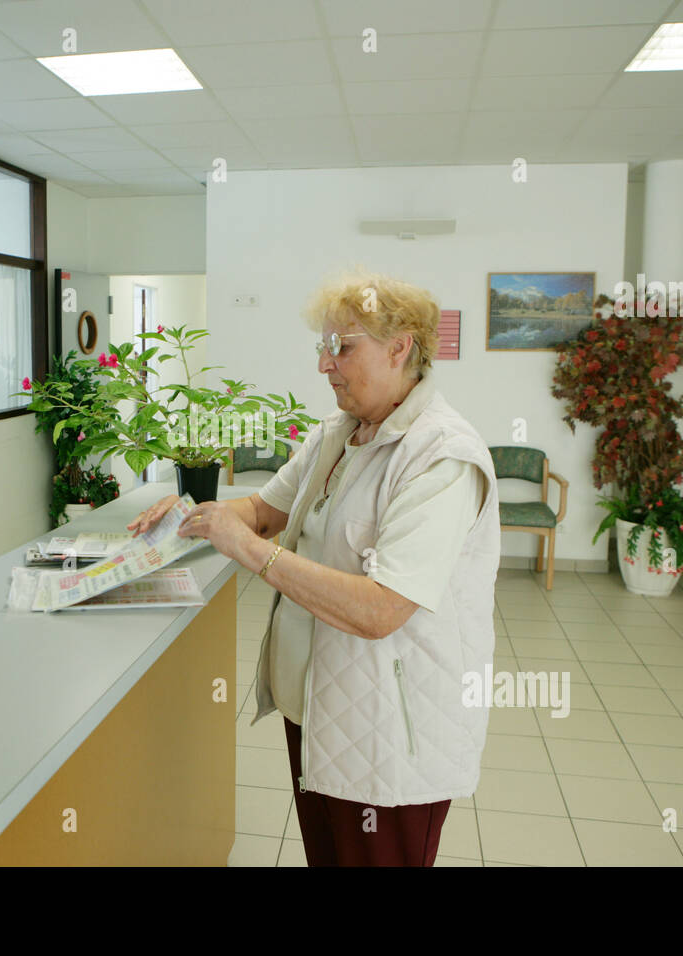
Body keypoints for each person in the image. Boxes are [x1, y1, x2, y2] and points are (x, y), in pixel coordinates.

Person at [128, 270, 500, 866]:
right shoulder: (340, 432)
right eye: (323, 347)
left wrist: (247, 549)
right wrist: (198, 513)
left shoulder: (442, 456)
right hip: (320, 710)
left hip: (387, 732)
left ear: (400, 346)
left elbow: (382, 609)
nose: (326, 365)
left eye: (343, 347)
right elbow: (264, 509)